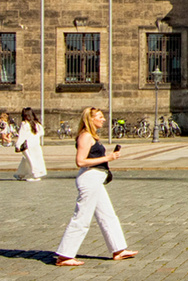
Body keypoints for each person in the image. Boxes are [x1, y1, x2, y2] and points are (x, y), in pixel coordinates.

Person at [54, 107, 136, 266]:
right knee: (82, 216)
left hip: (96, 179)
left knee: (107, 215)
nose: (103, 119)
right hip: (89, 179)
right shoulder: (85, 136)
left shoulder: (92, 136)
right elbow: (80, 161)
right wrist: (108, 158)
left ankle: (118, 249)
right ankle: (64, 255)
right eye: (100, 117)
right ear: (90, 119)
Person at [13, 107, 46, 182]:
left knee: (31, 160)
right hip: (36, 144)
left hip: (28, 145)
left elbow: (22, 135)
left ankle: (35, 175)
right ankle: (20, 174)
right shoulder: (37, 123)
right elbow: (42, 133)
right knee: (27, 160)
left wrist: (17, 145)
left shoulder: (24, 124)